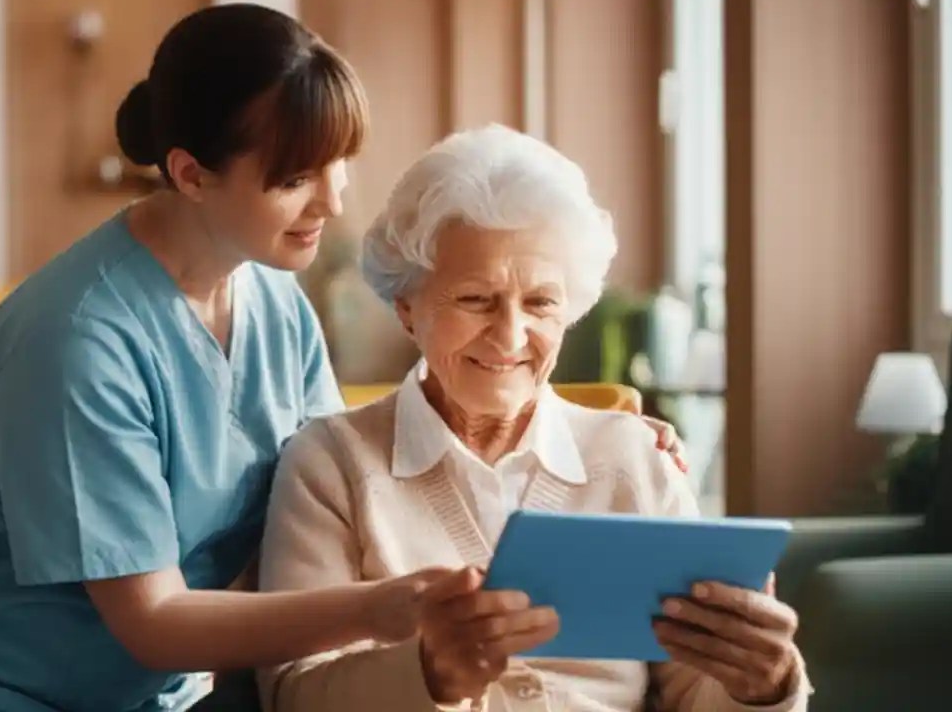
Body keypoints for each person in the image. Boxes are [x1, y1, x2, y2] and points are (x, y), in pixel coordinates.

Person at [0, 5, 434, 712]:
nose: (332, 199)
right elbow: (153, 619)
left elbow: (323, 495)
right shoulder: (76, 340)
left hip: (129, 691)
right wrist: (375, 610)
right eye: (296, 177)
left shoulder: (278, 305)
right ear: (191, 174)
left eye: (339, 163)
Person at [257, 125, 811, 712]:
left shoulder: (634, 459)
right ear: (406, 308)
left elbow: (693, 691)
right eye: (475, 299)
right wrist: (426, 676)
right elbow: (293, 692)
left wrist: (764, 687)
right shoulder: (330, 463)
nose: (511, 336)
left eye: (542, 302)